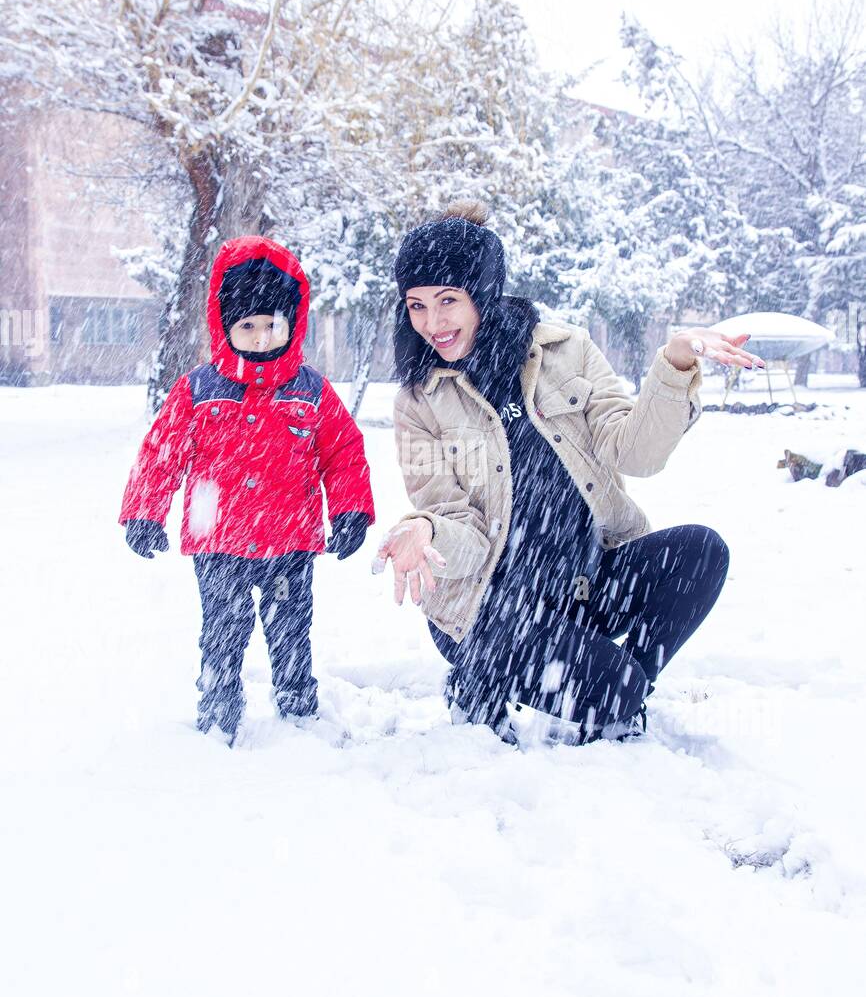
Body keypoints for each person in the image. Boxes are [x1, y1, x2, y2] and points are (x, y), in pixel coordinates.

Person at [376, 201, 764, 745]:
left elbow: (635, 453)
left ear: (481, 294)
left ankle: (619, 692)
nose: (433, 323)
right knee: (614, 692)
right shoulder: (419, 402)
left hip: (581, 584)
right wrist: (428, 530)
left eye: (448, 301)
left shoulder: (566, 350)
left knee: (703, 553)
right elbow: (454, 519)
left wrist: (674, 369)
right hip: (491, 610)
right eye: (416, 306)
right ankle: (485, 678)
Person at [120, 235, 375, 744]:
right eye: (248, 326)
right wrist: (145, 511)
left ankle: (298, 705)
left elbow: (344, 453)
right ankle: (218, 711)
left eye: (272, 325)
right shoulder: (199, 390)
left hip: (289, 541)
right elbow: (161, 452)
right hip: (218, 543)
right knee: (223, 633)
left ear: (292, 324)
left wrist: (350, 511)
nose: (261, 338)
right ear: (225, 326)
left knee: (289, 632)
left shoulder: (310, 391)